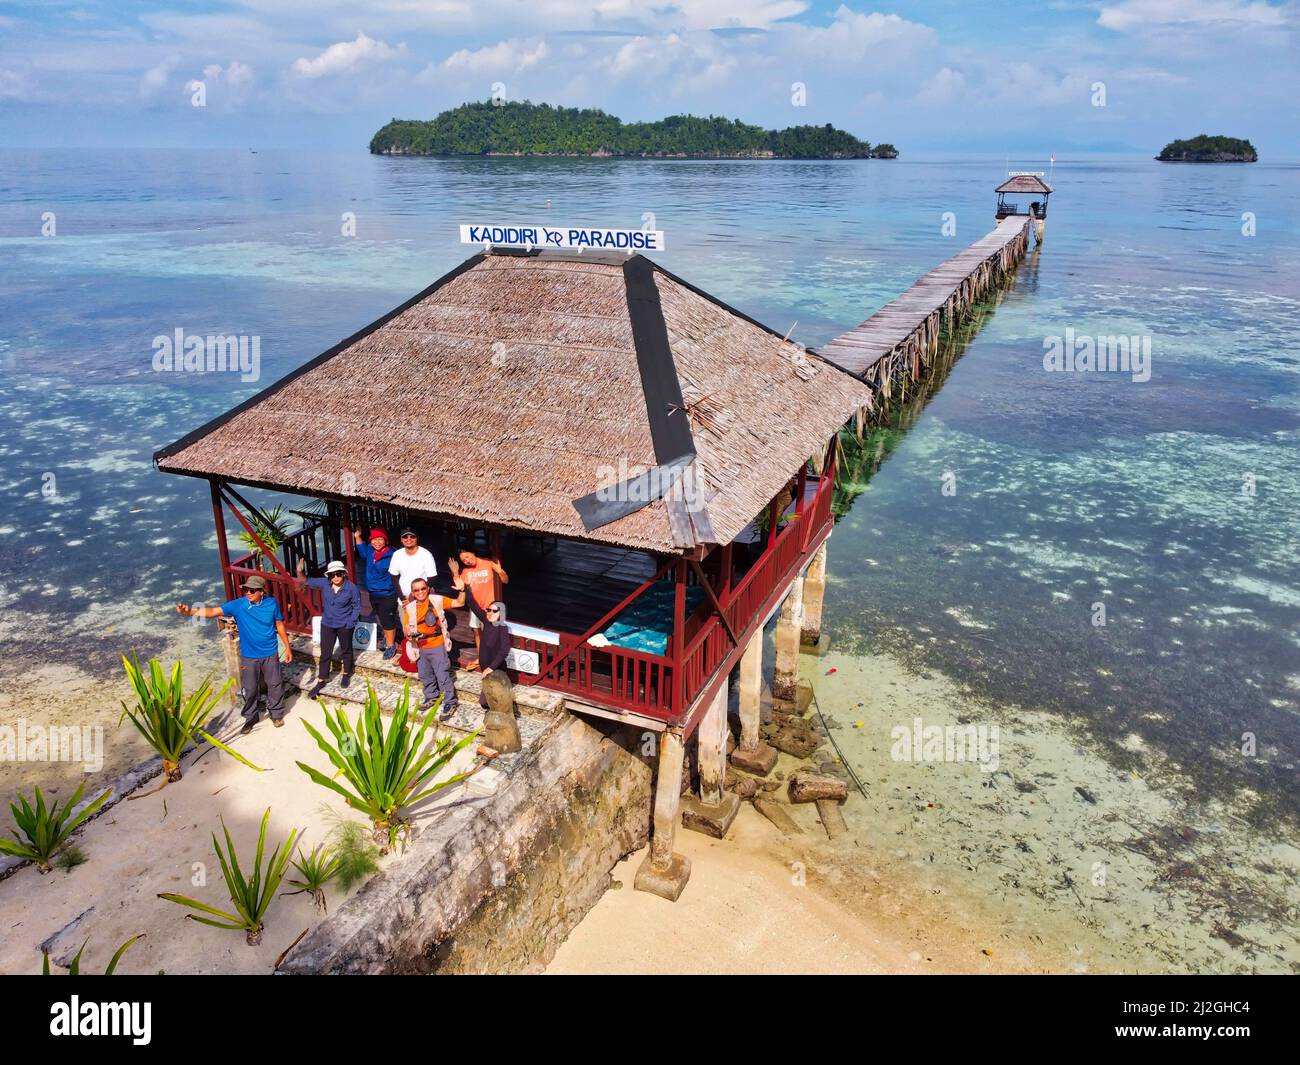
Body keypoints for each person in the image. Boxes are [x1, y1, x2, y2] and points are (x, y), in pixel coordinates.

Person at [177, 575, 290, 733]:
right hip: (249, 656)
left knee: (275, 684)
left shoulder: (272, 604)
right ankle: (251, 717)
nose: (248, 593)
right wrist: (190, 611)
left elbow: (279, 624)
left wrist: (287, 646)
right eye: (246, 589)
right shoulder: (238, 605)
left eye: (252, 590)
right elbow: (212, 611)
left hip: (270, 652)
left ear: (261, 591)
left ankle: (276, 714)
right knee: (249, 689)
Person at [296, 559, 360, 699]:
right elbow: (305, 580)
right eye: (332, 575)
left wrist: (350, 623)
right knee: (325, 653)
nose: (335, 577)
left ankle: (346, 673)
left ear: (344, 574)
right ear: (329, 576)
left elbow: (356, 606)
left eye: (338, 574)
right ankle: (322, 679)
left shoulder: (351, 588)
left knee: (346, 650)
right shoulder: (324, 583)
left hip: (344, 625)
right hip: (327, 624)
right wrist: (300, 571)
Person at [404, 577, 464, 718]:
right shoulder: (410, 608)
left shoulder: (437, 600)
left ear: (428, 588)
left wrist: (462, 589)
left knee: (442, 675)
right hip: (419, 646)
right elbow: (406, 628)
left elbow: (460, 602)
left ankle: (450, 702)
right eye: (416, 590)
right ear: (412, 593)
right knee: (425, 675)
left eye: (423, 588)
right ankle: (431, 696)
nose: (420, 592)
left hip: (436, 644)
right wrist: (409, 635)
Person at [450, 547, 508, 662]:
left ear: (473, 552)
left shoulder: (488, 563)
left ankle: (494, 658)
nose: (466, 560)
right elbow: (460, 586)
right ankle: (481, 656)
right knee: (477, 631)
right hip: (476, 608)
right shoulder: (466, 571)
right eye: (463, 560)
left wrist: (500, 571)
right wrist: (455, 573)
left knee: (492, 633)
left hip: (491, 608)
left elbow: (505, 580)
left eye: (467, 556)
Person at [352, 527, 400, 660]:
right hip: (373, 592)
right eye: (374, 539)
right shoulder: (370, 550)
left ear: (386, 540)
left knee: (388, 619)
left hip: (388, 593)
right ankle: (386, 638)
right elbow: (361, 550)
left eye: (380, 539)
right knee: (380, 615)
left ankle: (391, 645)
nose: (377, 542)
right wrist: (357, 536)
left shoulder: (393, 554)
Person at [464, 595, 511, 709]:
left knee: (490, 700)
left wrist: (491, 668)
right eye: (488, 610)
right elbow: (474, 606)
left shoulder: (501, 627)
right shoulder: (487, 621)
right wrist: (464, 589)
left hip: (495, 671)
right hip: (486, 671)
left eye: (494, 611)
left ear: (501, 613)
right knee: (486, 700)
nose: (490, 613)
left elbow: (505, 649)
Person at [389, 528, 438, 605]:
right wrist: (402, 598)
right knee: (404, 617)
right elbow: (394, 578)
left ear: (417, 538)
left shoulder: (426, 555)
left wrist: (414, 598)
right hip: (404, 599)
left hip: (422, 598)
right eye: (405, 537)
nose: (409, 539)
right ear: (401, 540)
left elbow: (432, 578)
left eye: (412, 536)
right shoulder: (397, 554)